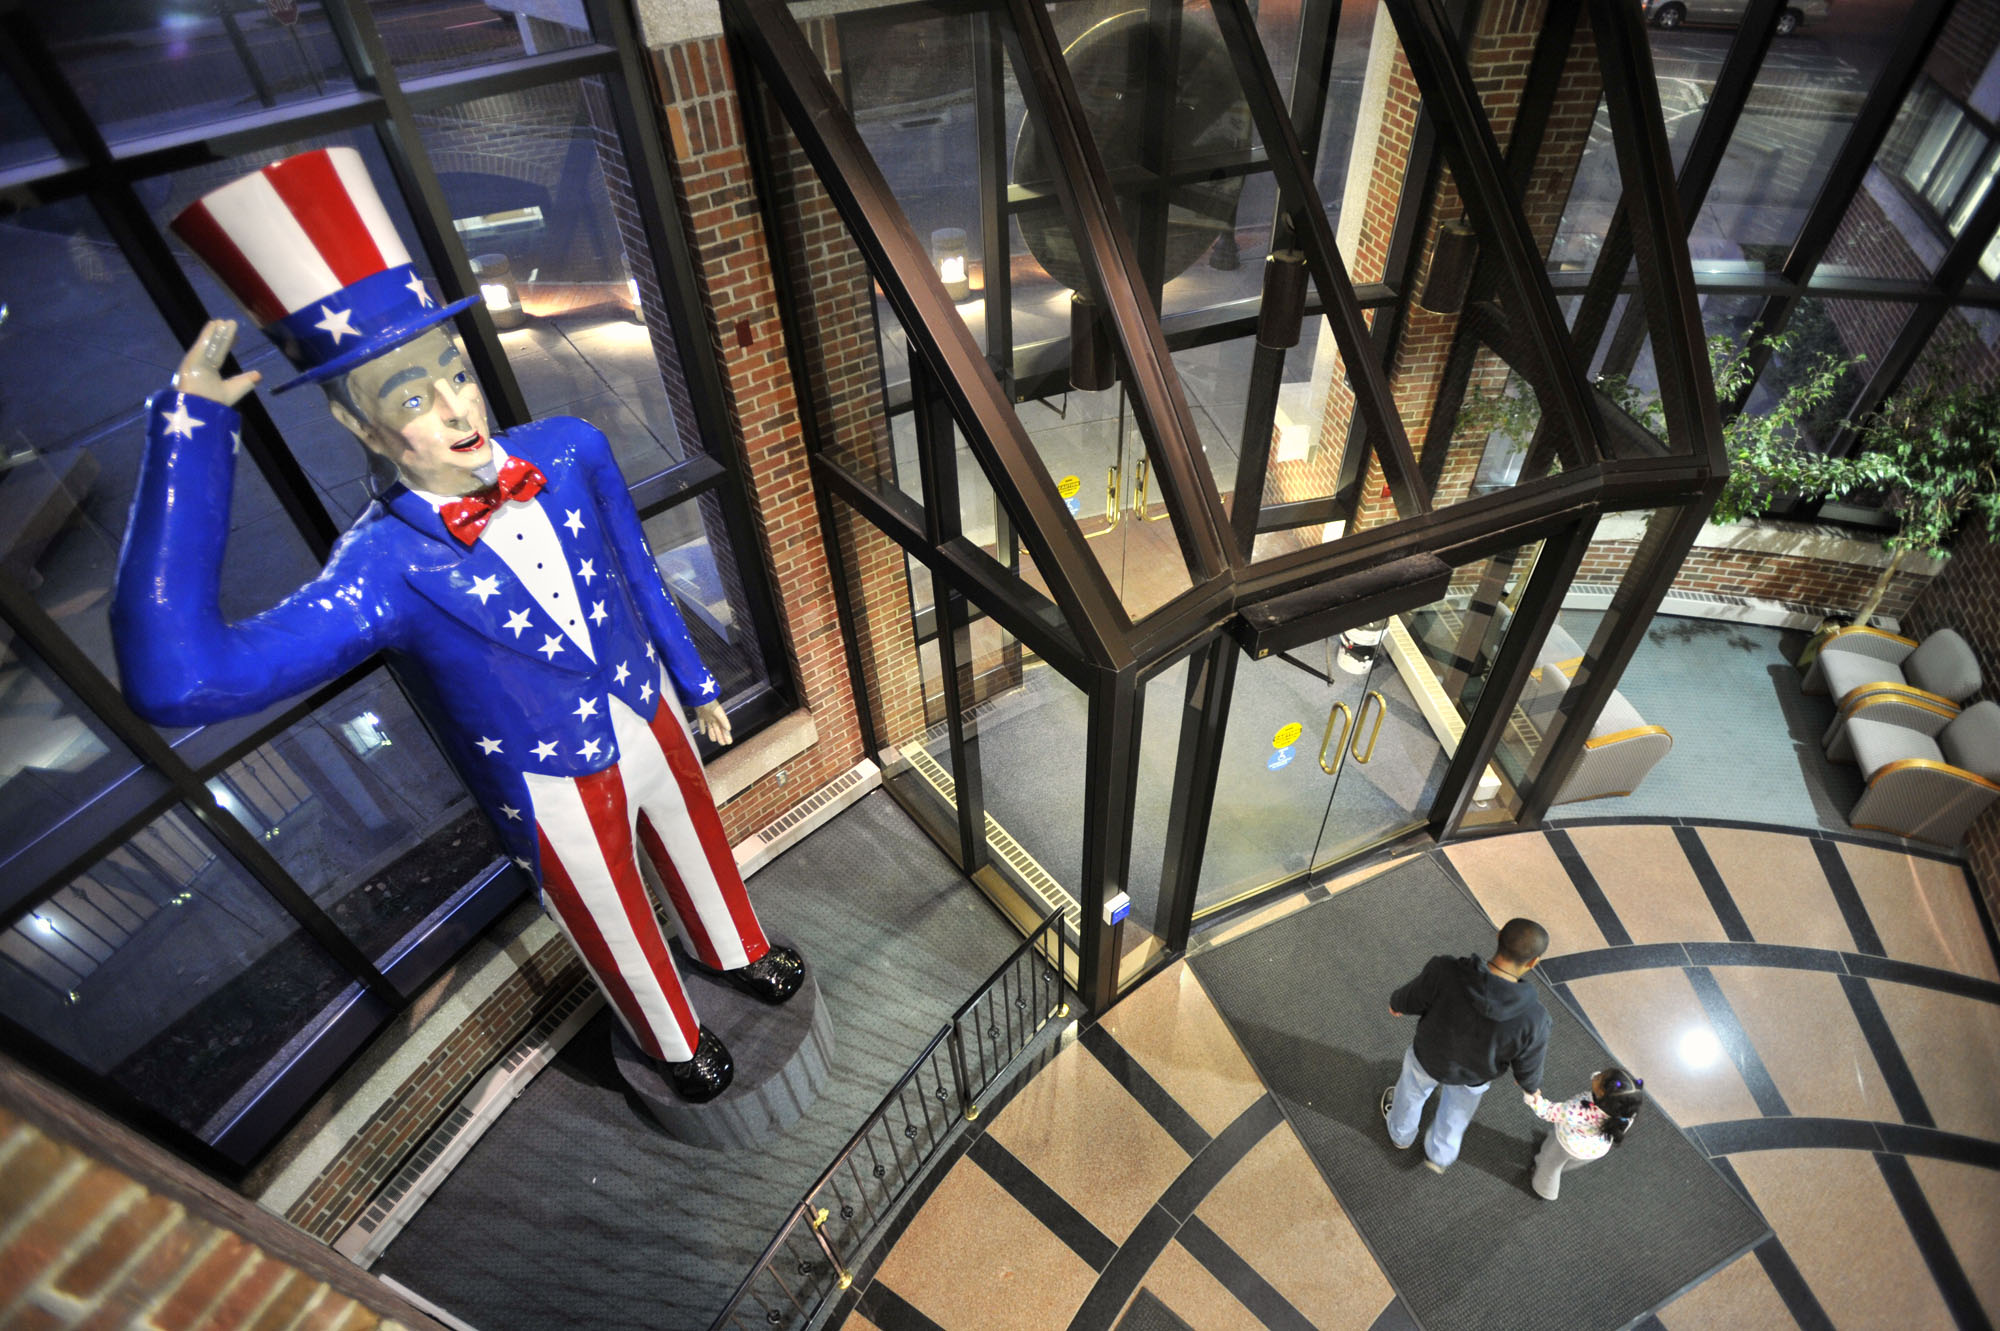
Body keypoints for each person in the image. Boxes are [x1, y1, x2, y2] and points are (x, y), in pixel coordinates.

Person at [112, 147, 802, 1104]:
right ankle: (672, 1037)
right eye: (410, 398)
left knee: (700, 841)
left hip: (648, 708)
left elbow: (638, 571)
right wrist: (190, 437)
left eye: (456, 373)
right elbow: (183, 679)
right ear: (360, 427)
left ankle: (734, 946)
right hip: (547, 778)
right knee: (607, 915)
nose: (456, 408)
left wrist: (695, 680)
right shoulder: (380, 567)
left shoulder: (570, 449)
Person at [1380, 917, 1552, 1172]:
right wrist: (1529, 1085)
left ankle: (1401, 1135)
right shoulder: (1535, 1018)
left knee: (1411, 1093)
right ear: (1533, 962)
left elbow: (1413, 997)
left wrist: (1398, 1004)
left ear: (1498, 936)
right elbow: (1529, 1062)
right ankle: (1439, 1155)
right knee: (1457, 1113)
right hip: (1475, 1076)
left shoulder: (1445, 970)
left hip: (1428, 1056)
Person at [1524, 1066, 1645, 1200]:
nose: (1596, 1075)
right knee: (1566, 1163)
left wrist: (1533, 1098)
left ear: (1602, 1093)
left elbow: (1549, 1112)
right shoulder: (1626, 1113)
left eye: (1599, 1077)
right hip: (1594, 1149)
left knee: (1549, 1165)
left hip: (1568, 1145)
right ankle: (1559, 1167)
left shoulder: (1581, 1110)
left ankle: (1544, 1189)